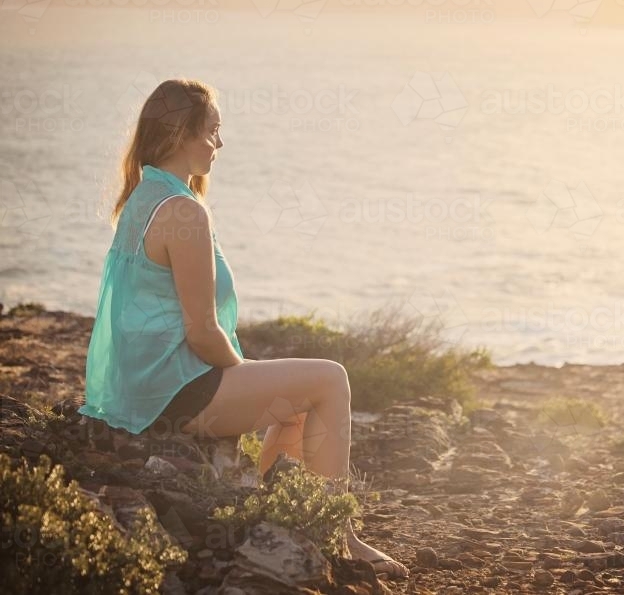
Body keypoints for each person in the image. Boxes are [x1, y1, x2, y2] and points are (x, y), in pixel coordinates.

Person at [78, 78, 408, 579]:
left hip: (145, 387)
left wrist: (248, 376)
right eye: (213, 130)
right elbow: (203, 331)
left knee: (293, 404)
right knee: (330, 378)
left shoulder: (142, 196)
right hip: (176, 391)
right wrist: (242, 368)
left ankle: (277, 514)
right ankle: (338, 534)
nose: (220, 143)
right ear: (182, 134)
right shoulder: (183, 211)